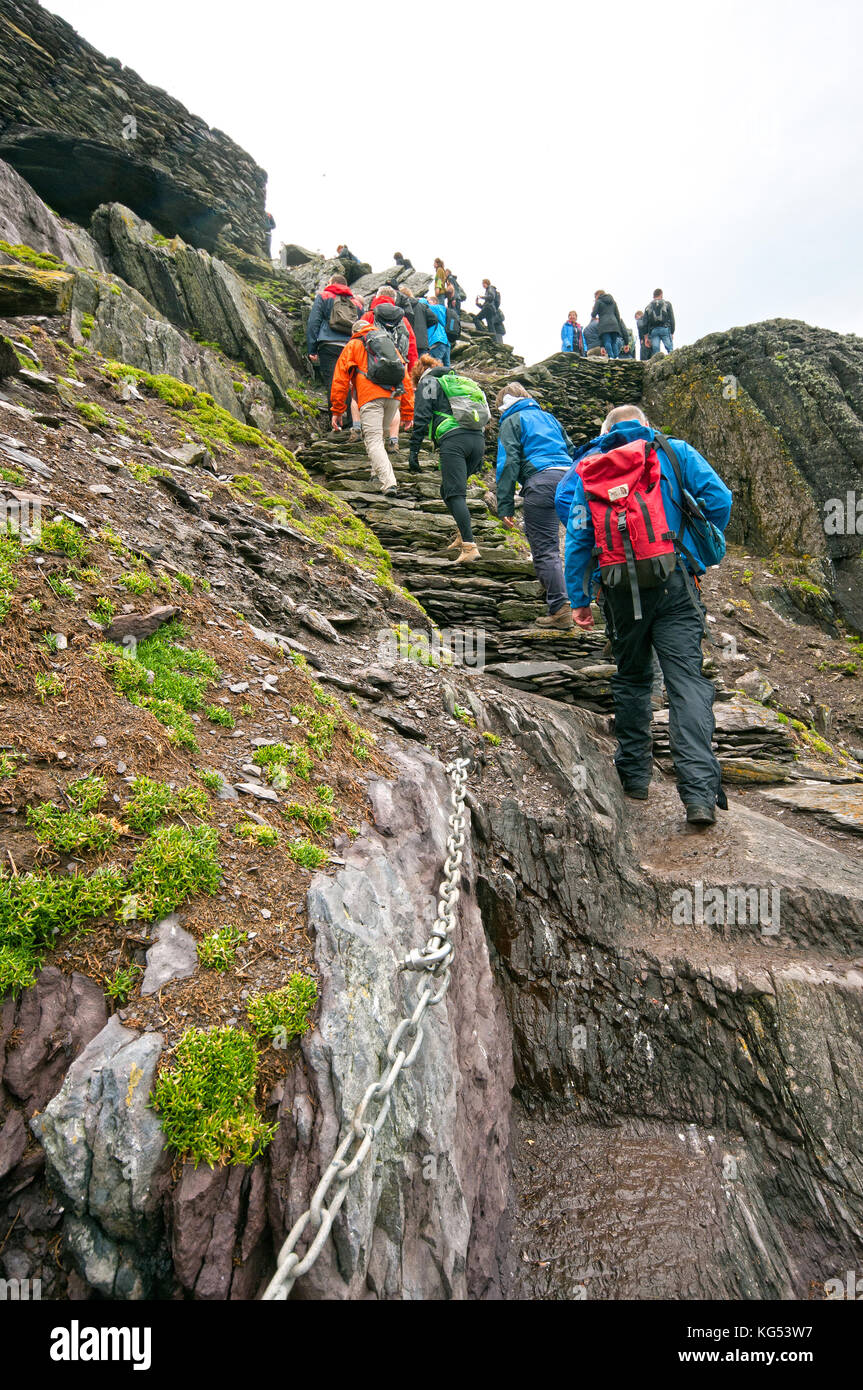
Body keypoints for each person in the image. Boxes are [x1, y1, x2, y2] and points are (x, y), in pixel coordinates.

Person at [562, 403, 732, 825]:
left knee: (633, 678)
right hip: (674, 579)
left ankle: (634, 778)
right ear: (645, 424)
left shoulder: (587, 465)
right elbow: (719, 499)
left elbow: (576, 527)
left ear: (605, 429)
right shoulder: (672, 451)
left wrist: (579, 597)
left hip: (618, 587)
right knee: (686, 683)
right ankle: (697, 795)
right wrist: (691, 546)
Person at [496, 383, 574, 628]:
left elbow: (508, 462)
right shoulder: (548, 417)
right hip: (570, 480)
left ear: (504, 404)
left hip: (540, 482)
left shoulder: (512, 420)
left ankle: (561, 609)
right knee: (585, 542)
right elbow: (571, 449)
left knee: (546, 548)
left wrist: (505, 505)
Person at [409, 355, 488, 563]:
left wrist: (413, 451)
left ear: (418, 375)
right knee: (447, 490)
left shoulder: (428, 381)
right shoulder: (457, 381)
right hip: (477, 440)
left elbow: (422, 416)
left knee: (455, 494)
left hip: (454, 440)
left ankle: (470, 547)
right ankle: (463, 534)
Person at [330, 317, 414, 497]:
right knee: (381, 436)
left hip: (370, 396)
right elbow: (405, 377)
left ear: (354, 332)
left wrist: (337, 410)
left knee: (374, 440)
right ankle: (376, 475)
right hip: (394, 396)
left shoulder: (353, 345)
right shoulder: (387, 343)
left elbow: (340, 379)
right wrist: (407, 411)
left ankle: (389, 482)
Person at [359, 288, 418, 452]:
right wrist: (412, 372)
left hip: (372, 365)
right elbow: (411, 346)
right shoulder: (403, 319)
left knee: (374, 402)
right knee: (395, 401)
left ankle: (373, 438)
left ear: (377, 297)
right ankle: (393, 440)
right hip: (399, 366)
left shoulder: (369, 316)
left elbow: (358, 339)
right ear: (394, 299)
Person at [306, 272, 364, 436]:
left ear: (331, 283)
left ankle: (336, 420)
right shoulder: (356, 303)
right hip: (351, 346)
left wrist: (312, 348)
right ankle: (354, 421)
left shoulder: (324, 296)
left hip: (328, 344)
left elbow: (314, 321)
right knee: (352, 382)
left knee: (333, 381)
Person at [589, 289, 627, 359]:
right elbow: (617, 315)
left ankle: (611, 356)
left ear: (597, 295)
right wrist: (617, 325)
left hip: (604, 325)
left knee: (607, 341)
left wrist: (593, 314)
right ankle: (616, 357)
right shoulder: (613, 301)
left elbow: (594, 314)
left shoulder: (599, 301)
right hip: (614, 324)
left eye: (595, 296)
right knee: (614, 342)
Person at [418, 292, 450, 367]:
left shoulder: (436, 308)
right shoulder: (442, 311)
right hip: (446, 342)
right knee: (447, 369)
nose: (427, 302)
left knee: (433, 367)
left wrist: (421, 299)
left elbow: (422, 304)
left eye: (429, 301)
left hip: (436, 342)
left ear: (435, 302)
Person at [642, 289, 675, 356]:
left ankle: (657, 364)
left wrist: (646, 337)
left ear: (653, 296)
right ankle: (673, 363)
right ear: (661, 294)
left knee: (656, 351)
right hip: (665, 328)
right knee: (670, 349)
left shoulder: (648, 307)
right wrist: (672, 332)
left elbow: (644, 323)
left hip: (654, 331)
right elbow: (672, 318)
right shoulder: (667, 304)